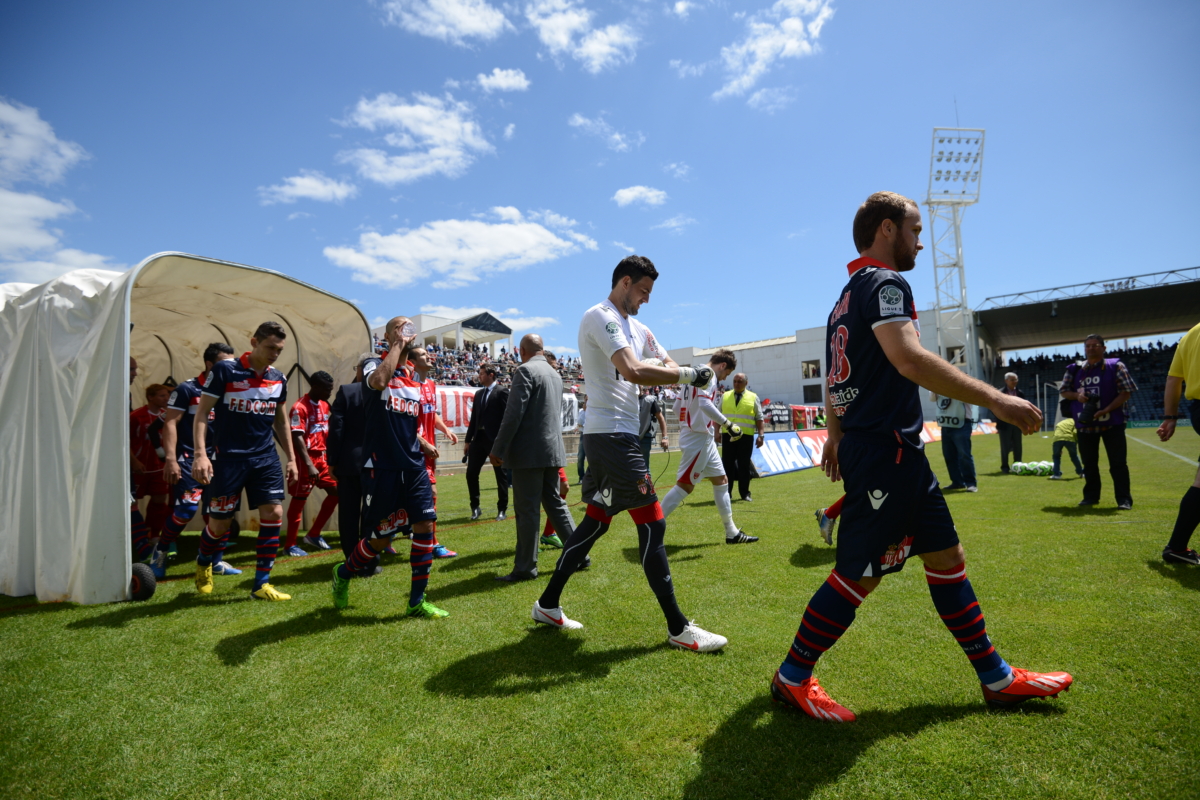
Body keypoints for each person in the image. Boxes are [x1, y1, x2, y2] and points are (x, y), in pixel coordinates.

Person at [771, 191, 1072, 722]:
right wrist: (996, 398)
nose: (921, 241)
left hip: (891, 449)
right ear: (886, 229)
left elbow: (835, 380)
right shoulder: (887, 283)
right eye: (914, 229)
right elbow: (907, 358)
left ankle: (996, 678)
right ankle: (792, 677)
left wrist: (837, 434)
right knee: (859, 574)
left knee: (946, 558)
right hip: (887, 451)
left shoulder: (842, 298)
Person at [532, 255, 728, 652]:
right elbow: (637, 371)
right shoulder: (600, 316)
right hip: (612, 437)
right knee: (653, 525)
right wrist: (689, 374)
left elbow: (665, 360)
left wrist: (671, 367)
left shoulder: (639, 327)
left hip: (615, 437)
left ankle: (547, 604)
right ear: (624, 283)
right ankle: (679, 629)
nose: (646, 299)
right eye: (643, 291)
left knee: (596, 523)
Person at [330, 317, 448, 618]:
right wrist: (396, 344)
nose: (405, 330)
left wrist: (421, 442)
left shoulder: (414, 382)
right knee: (380, 539)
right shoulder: (374, 365)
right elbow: (379, 383)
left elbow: (403, 423)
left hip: (413, 466)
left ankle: (416, 601)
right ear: (387, 335)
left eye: (408, 327)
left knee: (424, 527)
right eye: (398, 326)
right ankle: (343, 574)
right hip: (381, 468)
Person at [191, 321, 298, 601]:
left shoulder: (279, 377)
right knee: (219, 525)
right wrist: (201, 454)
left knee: (274, 515)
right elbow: (202, 414)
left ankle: (261, 584)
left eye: (279, 349)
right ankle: (204, 561)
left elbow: (281, 420)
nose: (275, 353)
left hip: (265, 458)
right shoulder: (225, 370)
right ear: (254, 342)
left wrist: (292, 459)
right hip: (228, 460)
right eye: (270, 347)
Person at [488, 334, 576, 581]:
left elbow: (513, 414)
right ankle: (579, 554)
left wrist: (498, 448)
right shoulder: (554, 373)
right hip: (551, 450)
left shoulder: (525, 371)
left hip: (529, 453)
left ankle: (525, 567)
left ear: (521, 350)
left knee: (528, 511)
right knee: (556, 504)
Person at [150, 343, 240, 579]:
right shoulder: (187, 389)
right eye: (225, 363)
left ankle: (216, 561)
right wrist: (170, 459)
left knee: (221, 513)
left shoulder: (231, 389)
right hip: (190, 460)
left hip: (221, 460)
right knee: (186, 510)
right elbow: (169, 423)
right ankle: (159, 552)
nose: (231, 368)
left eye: (233, 363)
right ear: (210, 364)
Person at [659, 350, 757, 544]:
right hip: (699, 437)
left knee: (721, 481)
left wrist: (688, 423)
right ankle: (651, 527)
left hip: (700, 436)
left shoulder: (693, 373)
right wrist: (728, 424)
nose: (724, 378)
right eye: (726, 374)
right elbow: (704, 405)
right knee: (685, 486)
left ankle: (732, 532)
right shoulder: (709, 374)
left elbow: (677, 407)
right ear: (722, 366)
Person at [1060, 334, 1137, 509]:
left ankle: (1124, 499)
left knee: (1118, 463)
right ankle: (1090, 497)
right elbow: (1064, 391)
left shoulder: (1116, 366)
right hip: (1085, 425)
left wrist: (1106, 409)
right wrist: (1077, 395)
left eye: (1095, 345)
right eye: (1088, 346)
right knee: (1089, 463)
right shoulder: (1074, 369)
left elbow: (1126, 391)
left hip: (1112, 423)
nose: (1091, 348)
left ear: (1103, 348)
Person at [327, 354, 381, 577]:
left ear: (360, 369)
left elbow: (336, 429)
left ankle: (351, 559)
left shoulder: (347, 391)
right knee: (373, 515)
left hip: (349, 462)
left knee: (348, 514)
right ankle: (369, 559)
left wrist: (332, 461)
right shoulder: (386, 392)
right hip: (378, 463)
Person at [405, 346, 458, 559]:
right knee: (430, 494)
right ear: (412, 362)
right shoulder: (409, 386)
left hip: (428, 450)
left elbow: (431, 412)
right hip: (414, 450)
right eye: (424, 355)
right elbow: (405, 421)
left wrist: (445, 428)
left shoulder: (430, 384)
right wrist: (423, 442)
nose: (430, 357)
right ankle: (433, 545)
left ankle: (388, 537)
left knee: (412, 497)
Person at [283, 371, 338, 556]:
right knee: (299, 501)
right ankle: (290, 545)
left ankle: (314, 534)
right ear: (315, 387)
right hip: (305, 460)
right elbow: (297, 436)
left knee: (337, 492)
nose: (330, 392)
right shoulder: (299, 407)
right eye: (327, 389)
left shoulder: (324, 404)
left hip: (322, 459)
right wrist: (308, 464)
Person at [1158, 321, 1200, 565]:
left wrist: (1170, 417)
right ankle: (1176, 547)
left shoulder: (1191, 333)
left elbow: (1174, 379)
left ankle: (1177, 547)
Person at [465, 364, 510, 521]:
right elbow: (474, 419)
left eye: (482, 373)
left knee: (500, 475)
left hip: (495, 440)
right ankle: (475, 507)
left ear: (491, 375)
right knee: (471, 473)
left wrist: (503, 441)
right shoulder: (478, 394)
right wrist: (467, 440)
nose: (479, 376)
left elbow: (507, 418)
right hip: (478, 439)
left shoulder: (502, 392)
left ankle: (502, 509)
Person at [130, 383, 172, 539]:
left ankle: (153, 534)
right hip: (139, 467)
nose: (166, 398)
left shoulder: (167, 415)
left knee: (160, 499)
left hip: (160, 467)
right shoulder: (135, 416)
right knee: (132, 502)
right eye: (162, 396)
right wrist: (134, 462)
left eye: (167, 395)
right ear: (150, 397)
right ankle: (136, 535)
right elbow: (124, 441)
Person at [720, 372, 766, 501]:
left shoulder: (753, 397)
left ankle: (745, 493)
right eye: (734, 381)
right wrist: (716, 432)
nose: (736, 384)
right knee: (727, 465)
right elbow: (717, 414)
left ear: (746, 383)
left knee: (744, 465)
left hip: (746, 437)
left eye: (739, 381)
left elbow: (759, 418)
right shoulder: (725, 396)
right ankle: (727, 494)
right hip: (728, 436)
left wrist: (761, 435)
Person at [930, 391, 977, 491]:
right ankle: (957, 482)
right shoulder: (939, 385)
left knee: (964, 455)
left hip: (961, 423)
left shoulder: (963, 384)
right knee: (949, 455)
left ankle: (970, 483)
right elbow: (932, 398)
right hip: (946, 423)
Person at [994, 373, 1025, 473]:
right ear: (1006, 381)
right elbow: (994, 408)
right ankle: (1005, 467)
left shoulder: (1020, 393)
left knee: (1018, 446)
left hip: (1017, 423)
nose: (1015, 381)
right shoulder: (999, 393)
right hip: (1004, 424)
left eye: (1016, 379)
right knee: (1005, 446)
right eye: (1012, 380)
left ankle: (1018, 465)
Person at [1049, 400, 1084, 480]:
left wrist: (1056, 448)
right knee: (1074, 456)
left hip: (1057, 439)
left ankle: (1056, 474)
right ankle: (1081, 472)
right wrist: (1076, 442)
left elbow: (1056, 434)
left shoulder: (1061, 422)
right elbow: (1075, 432)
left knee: (1056, 457)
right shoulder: (1075, 421)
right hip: (1069, 438)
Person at [638, 387, 669, 469]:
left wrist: (665, 437)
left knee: (644, 467)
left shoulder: (649, 400)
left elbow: (661, 418)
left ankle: (647, 482)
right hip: (630, 436)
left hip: (644, 436)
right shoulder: (628, 400)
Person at [574, 399, 588, 484]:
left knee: (591, 458)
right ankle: (581, 477)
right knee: (580, 457)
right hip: (583, 434)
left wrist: (582, 425)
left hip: (590, 435)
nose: (585, 403)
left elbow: (585, 424)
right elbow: (579, 423)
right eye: (585, 400)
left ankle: (591, 478)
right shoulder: (581, 411)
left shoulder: (592, 411)